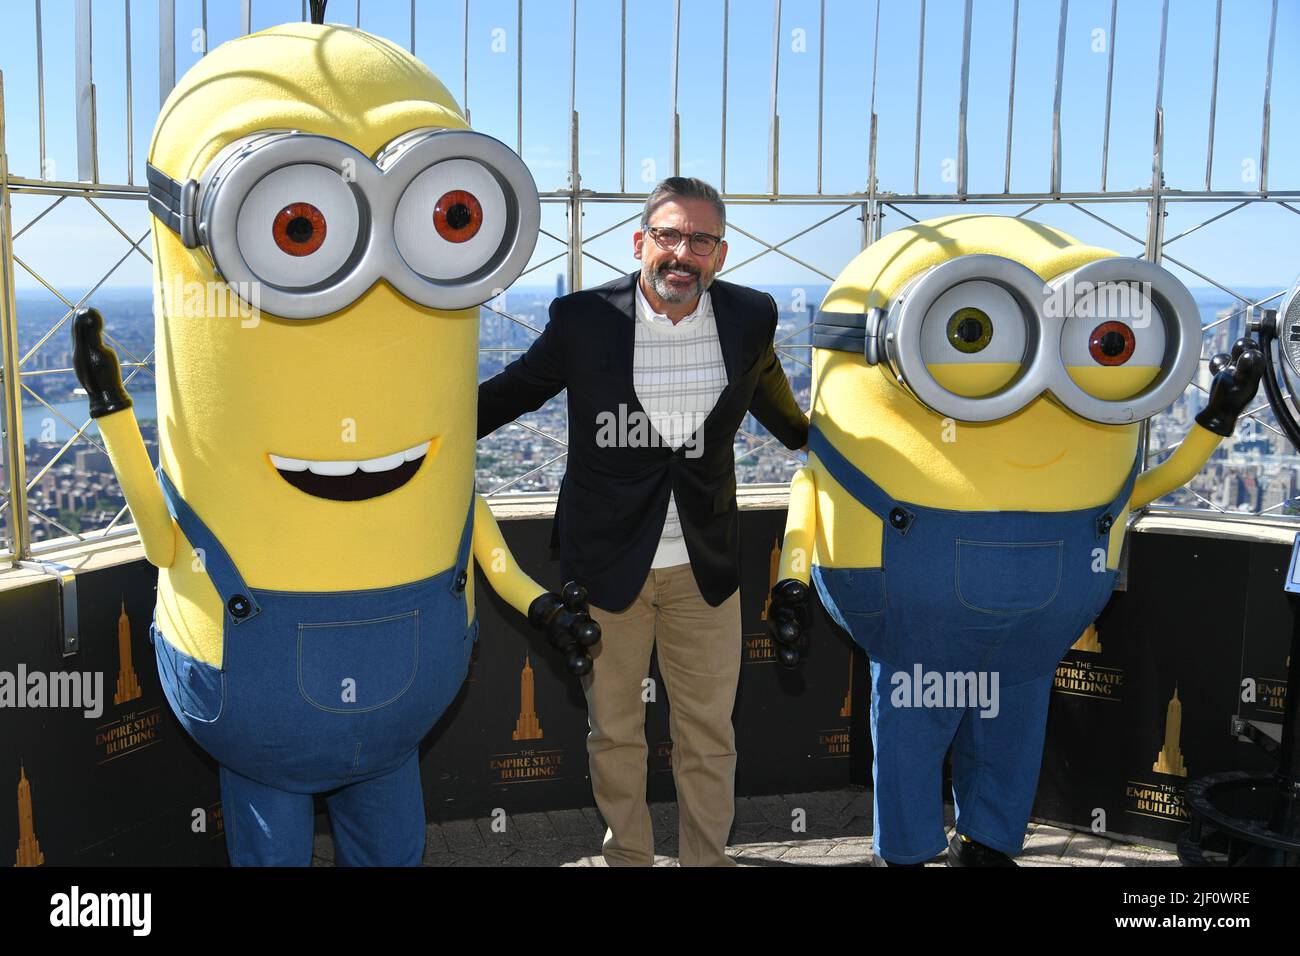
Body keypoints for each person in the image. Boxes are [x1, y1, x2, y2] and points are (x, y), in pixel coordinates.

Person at [477, 176, 808, 866]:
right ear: (640, 243)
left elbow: (774, 398)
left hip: (705, 566)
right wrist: (403, 437)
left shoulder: (752, 316)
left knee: (709, 736)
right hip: (604, 566)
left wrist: (822, 439)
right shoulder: (582, 319)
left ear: (720, 252)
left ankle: (704, 861)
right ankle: (626, 856)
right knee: (615, 733)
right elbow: (510, 395)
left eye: (700, 239)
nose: (681, 252)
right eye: (668, 235)